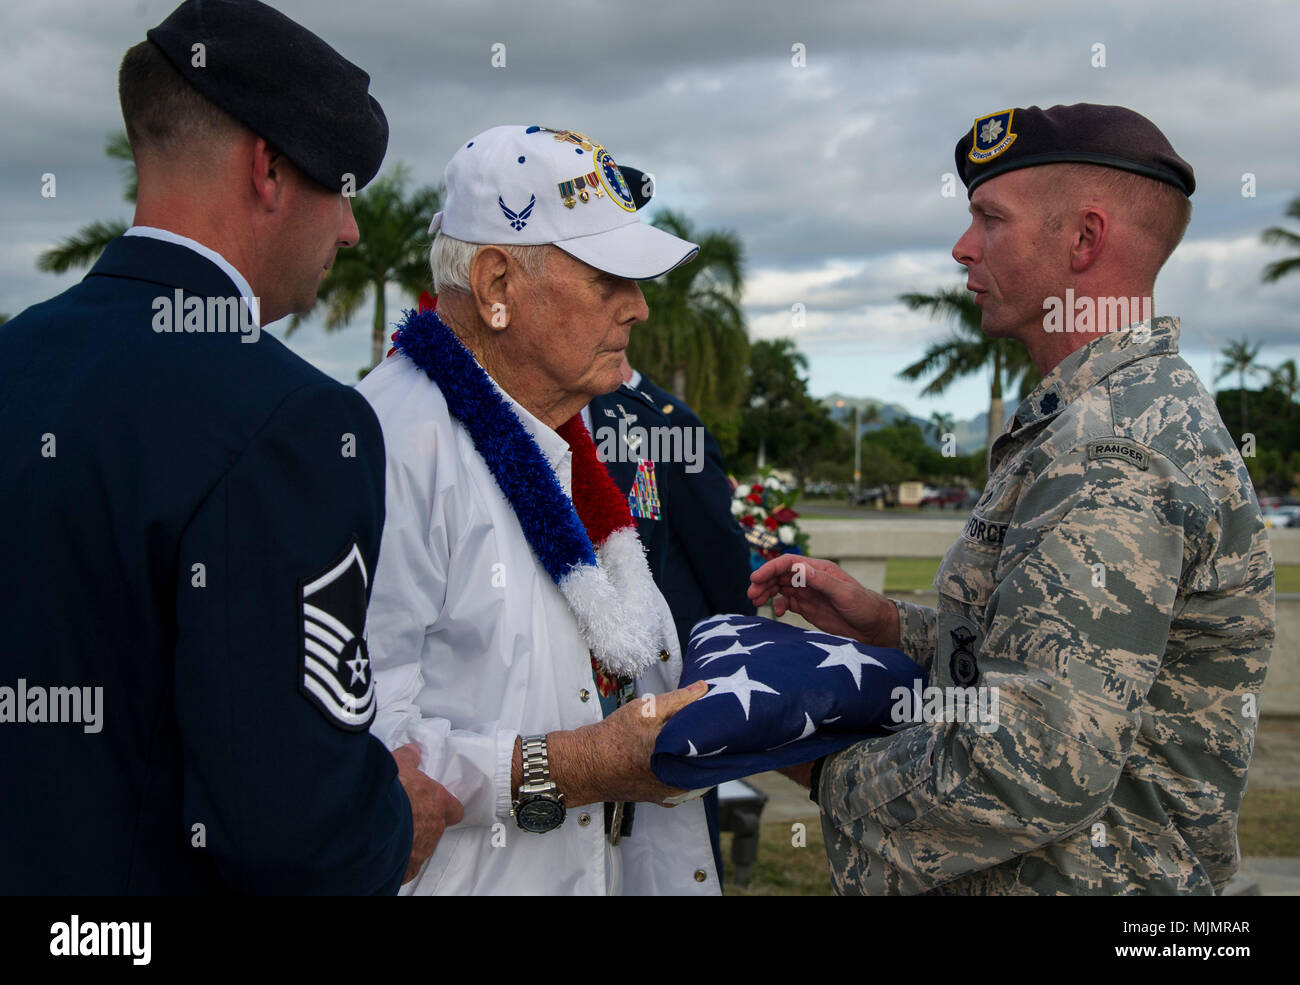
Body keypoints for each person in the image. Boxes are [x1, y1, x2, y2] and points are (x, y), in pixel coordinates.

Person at [750, 103, 1275, 895]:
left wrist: (801, 754)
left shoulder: (1110, 452)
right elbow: (1057, 661)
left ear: (1085, 239)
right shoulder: (1102, 416)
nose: (963, 247)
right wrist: (898, 629)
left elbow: (1028, 763)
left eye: (989, 219)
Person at [0, 0, 459, 894]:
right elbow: (294, 823)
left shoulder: (16, 357)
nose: (353, 229)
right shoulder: (290, 419)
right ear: (271, 169)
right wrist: (394, 817)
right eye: (344, 188)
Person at [360, 124, 719, 895]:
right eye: (608, 279)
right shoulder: (389, 447)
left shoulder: (567, 430)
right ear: (495, 286)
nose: (640, 309)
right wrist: (582, 764)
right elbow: (363, 755)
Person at [586, 358, 755, 880]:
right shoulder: (577, 409)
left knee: (674, 834)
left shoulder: (667, 421)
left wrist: (737, 646)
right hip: (596, 665)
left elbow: (717, 548)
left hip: (667, 662)